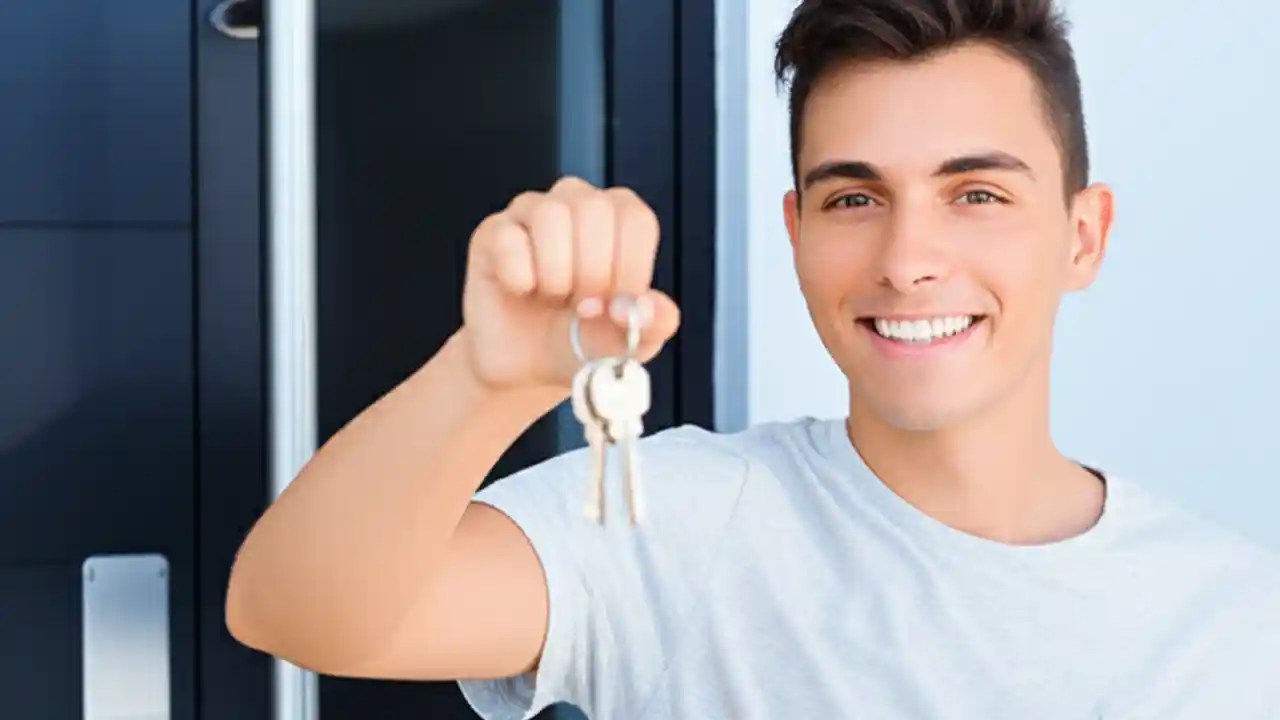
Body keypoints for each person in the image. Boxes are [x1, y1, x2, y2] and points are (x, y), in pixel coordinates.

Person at [224, 0, 1280, 717]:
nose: (907, 259)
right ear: (796, 230)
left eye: (976, 194)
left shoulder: (1238, 623)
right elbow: (295, 611)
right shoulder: (682, 526)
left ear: (1082, 237)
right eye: (854, 198)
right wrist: (487, 376)